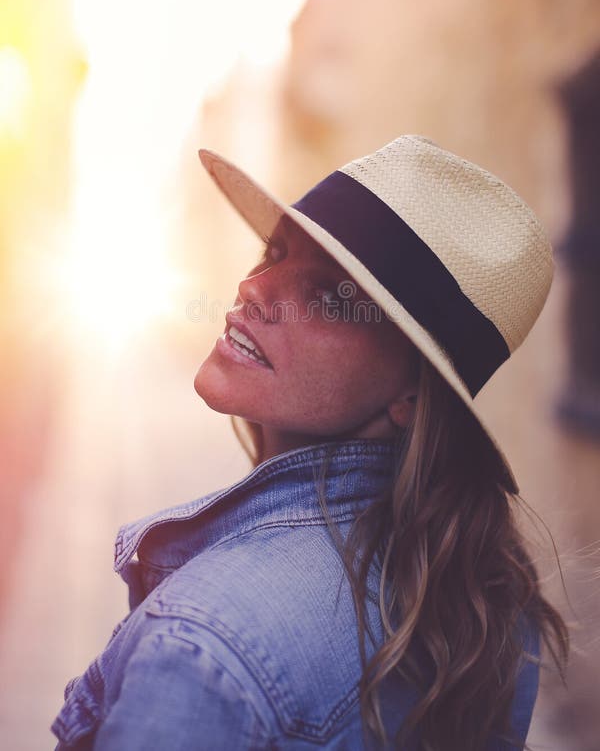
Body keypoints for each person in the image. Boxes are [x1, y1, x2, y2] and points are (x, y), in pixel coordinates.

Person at [52, 135, 569, 750]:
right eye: (274, 251)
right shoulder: (488, 600)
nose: (253, 290)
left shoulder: (200, 650)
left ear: (410, 395)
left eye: (330, 297)